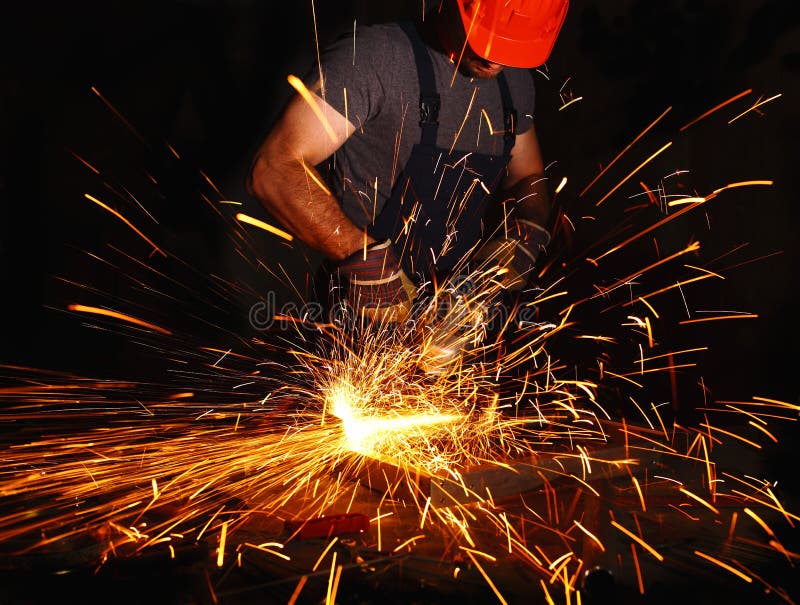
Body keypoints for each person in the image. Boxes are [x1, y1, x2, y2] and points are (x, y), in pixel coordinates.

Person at [247, 0, 569, 328]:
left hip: (459, 324)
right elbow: (274, 168)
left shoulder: (514, 83)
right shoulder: (375, 58)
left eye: (511, 47)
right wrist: (362, 260)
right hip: (357, 325)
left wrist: (523, 236)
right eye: (488, 38)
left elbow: (527, 176)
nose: (496, 58)